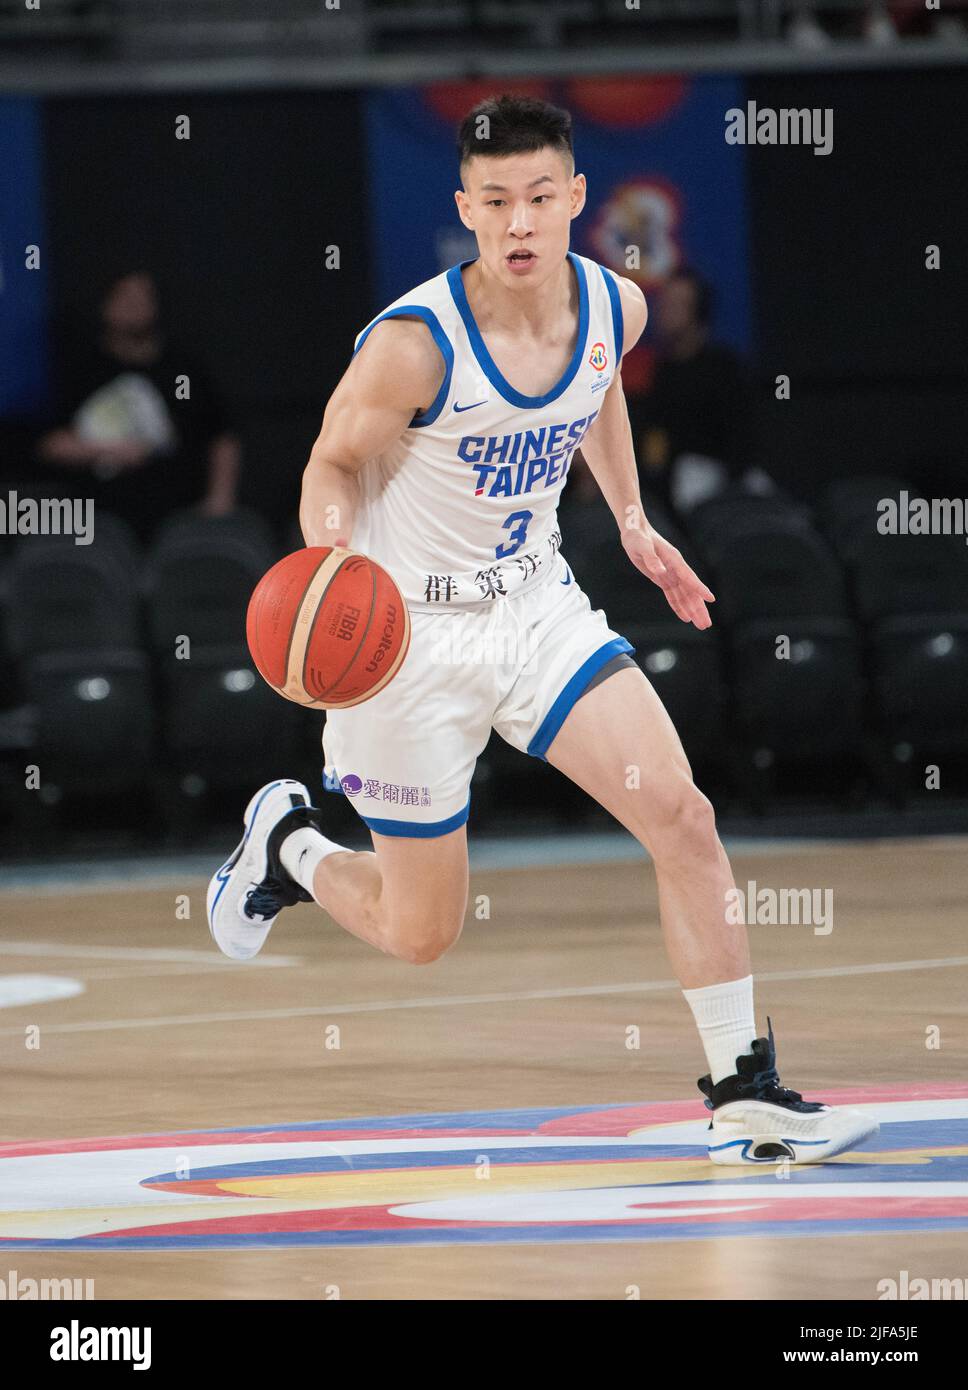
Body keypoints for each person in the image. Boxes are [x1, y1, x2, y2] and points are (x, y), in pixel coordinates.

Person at [207, 95, 876, 1166]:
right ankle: (288, 841)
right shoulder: (414, 346)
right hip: (402, 644)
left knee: (681, 815)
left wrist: (629, 518)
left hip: (532, 607)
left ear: (573, 199)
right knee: (419, 933)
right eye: (494, 203)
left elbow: (594, 390)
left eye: (536, 199)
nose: (517, 223)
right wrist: (331, 558)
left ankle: (744, 1093)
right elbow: (330, 462)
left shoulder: (616, 305)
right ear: (464, 208)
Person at [36, 271, 240, 540]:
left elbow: (221, 435)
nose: (136, 306)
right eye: (126, 298)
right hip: (98, 521)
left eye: (143, 298)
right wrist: (110, 449)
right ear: (106, 306)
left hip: (178, 517)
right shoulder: (79, 370)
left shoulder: (183, 370)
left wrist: (220, 500)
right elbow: (49, 444)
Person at [631, 268, 762, 517]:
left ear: (698, 312)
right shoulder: (662, 371)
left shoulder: (724, 368)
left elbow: (742, 442)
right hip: (670, 488)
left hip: (722, 483)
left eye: (677, 305)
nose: (665, 313)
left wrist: (729, 483)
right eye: (664, 304)